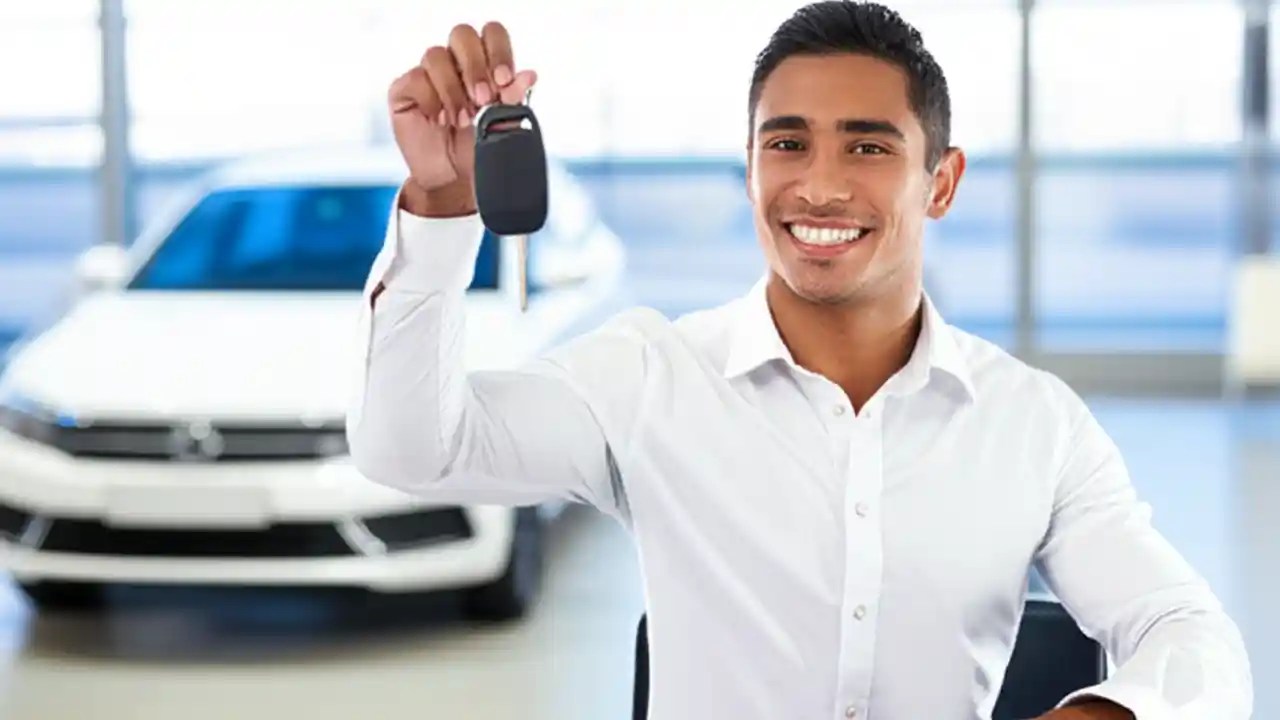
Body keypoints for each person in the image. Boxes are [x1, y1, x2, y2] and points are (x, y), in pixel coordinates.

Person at [346, 2, 1253, 718]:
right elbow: (408, 450)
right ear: (748, 169)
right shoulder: (647, 377)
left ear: (941, 182)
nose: (819, 185)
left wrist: (1108, 716)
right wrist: (439, 203)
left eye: (868, 145)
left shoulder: (1036, 424)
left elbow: (1192, 636)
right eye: (787, 143)